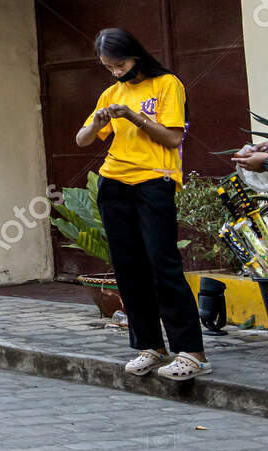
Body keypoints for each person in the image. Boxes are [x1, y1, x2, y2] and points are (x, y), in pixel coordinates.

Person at [76, 28, 207, 380]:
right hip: (114, 182)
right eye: (109, 67)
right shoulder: (110, 93)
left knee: (163, 264)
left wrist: (134, 117)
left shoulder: (167, 85)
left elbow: (173, 136)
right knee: (128, 268)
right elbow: (83, 137)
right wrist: (100, 121)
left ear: (135, 54)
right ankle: (150, 346)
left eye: (120, 64)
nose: (117, 72)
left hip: (155, 180)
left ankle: (191, 352)